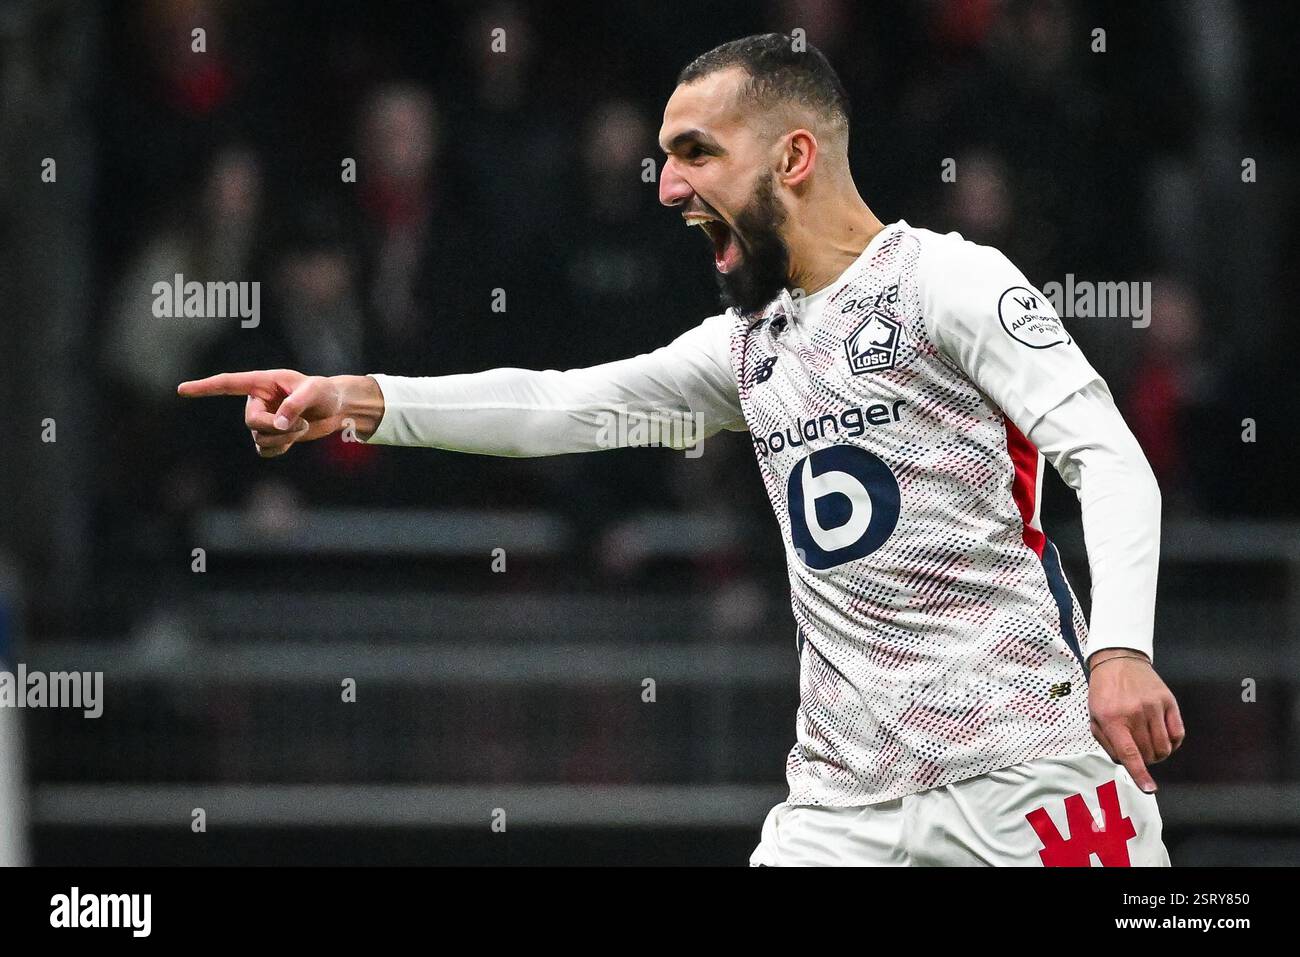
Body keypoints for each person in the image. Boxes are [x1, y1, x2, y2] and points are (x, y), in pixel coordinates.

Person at [179, 34, 1183, 866]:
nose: (665, 186)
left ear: (792, 158)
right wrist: (354, 397)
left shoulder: (949, 285)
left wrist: (1121, 649)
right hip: (844, 812)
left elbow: (1107, 455)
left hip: (1025, 773)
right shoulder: (744, 350)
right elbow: (555, 408)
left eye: (697, 153)